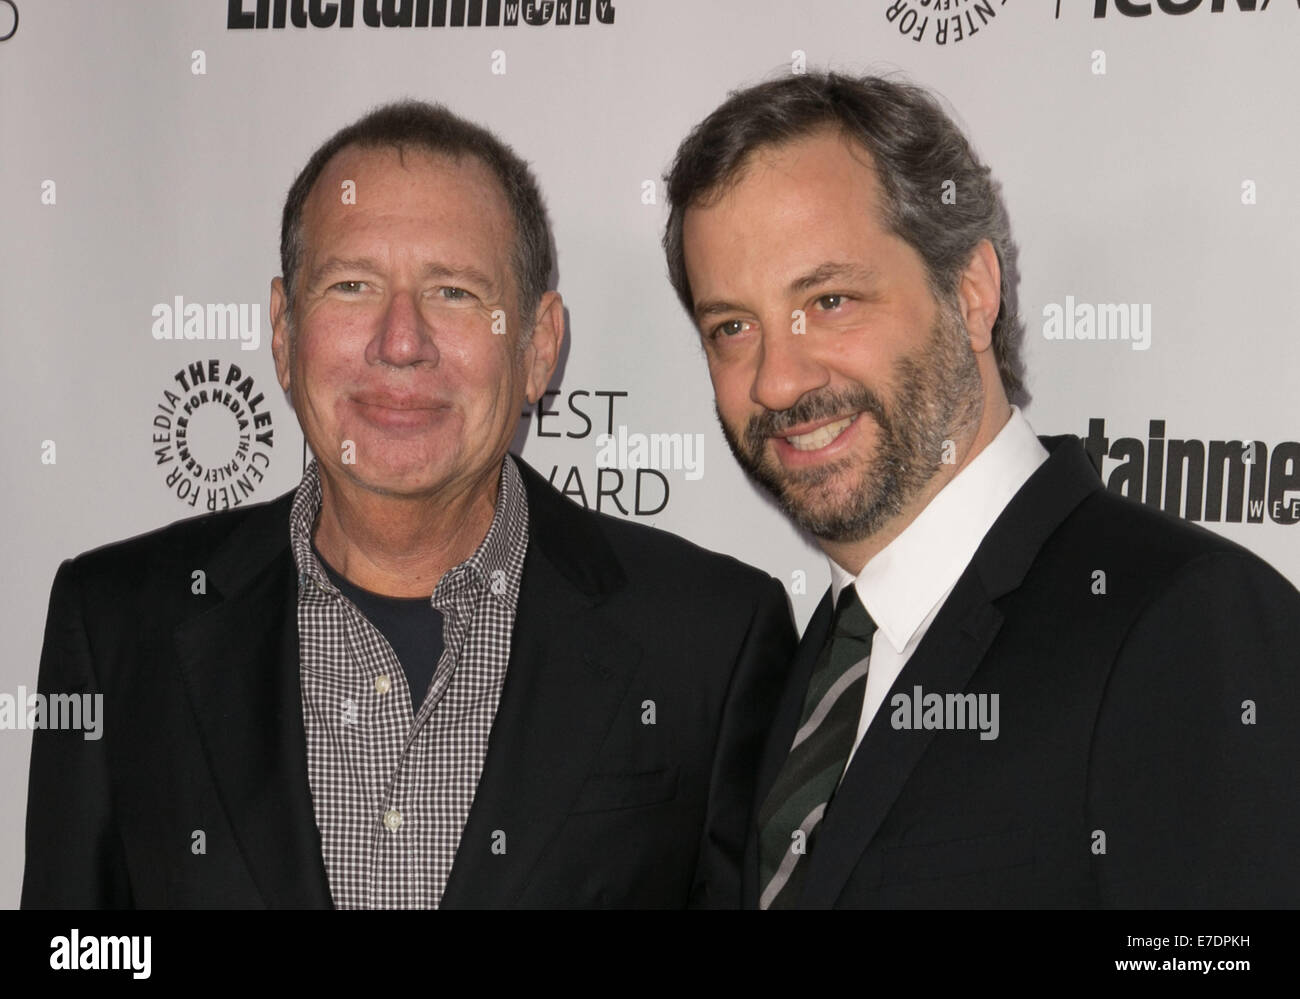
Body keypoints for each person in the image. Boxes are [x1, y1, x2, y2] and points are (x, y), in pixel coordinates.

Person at [22, 100, 795, 909]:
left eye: (455, 292)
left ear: (538, 348)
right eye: (352, 285)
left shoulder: (711, 640)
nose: (400, 341)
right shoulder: (117, 626)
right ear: (284, 334)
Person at [662, 70, 1300, 908]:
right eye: (733, 327)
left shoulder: (1185, 619)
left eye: (831, 298)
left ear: (970, 293)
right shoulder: (806, 669)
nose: (779, 380)